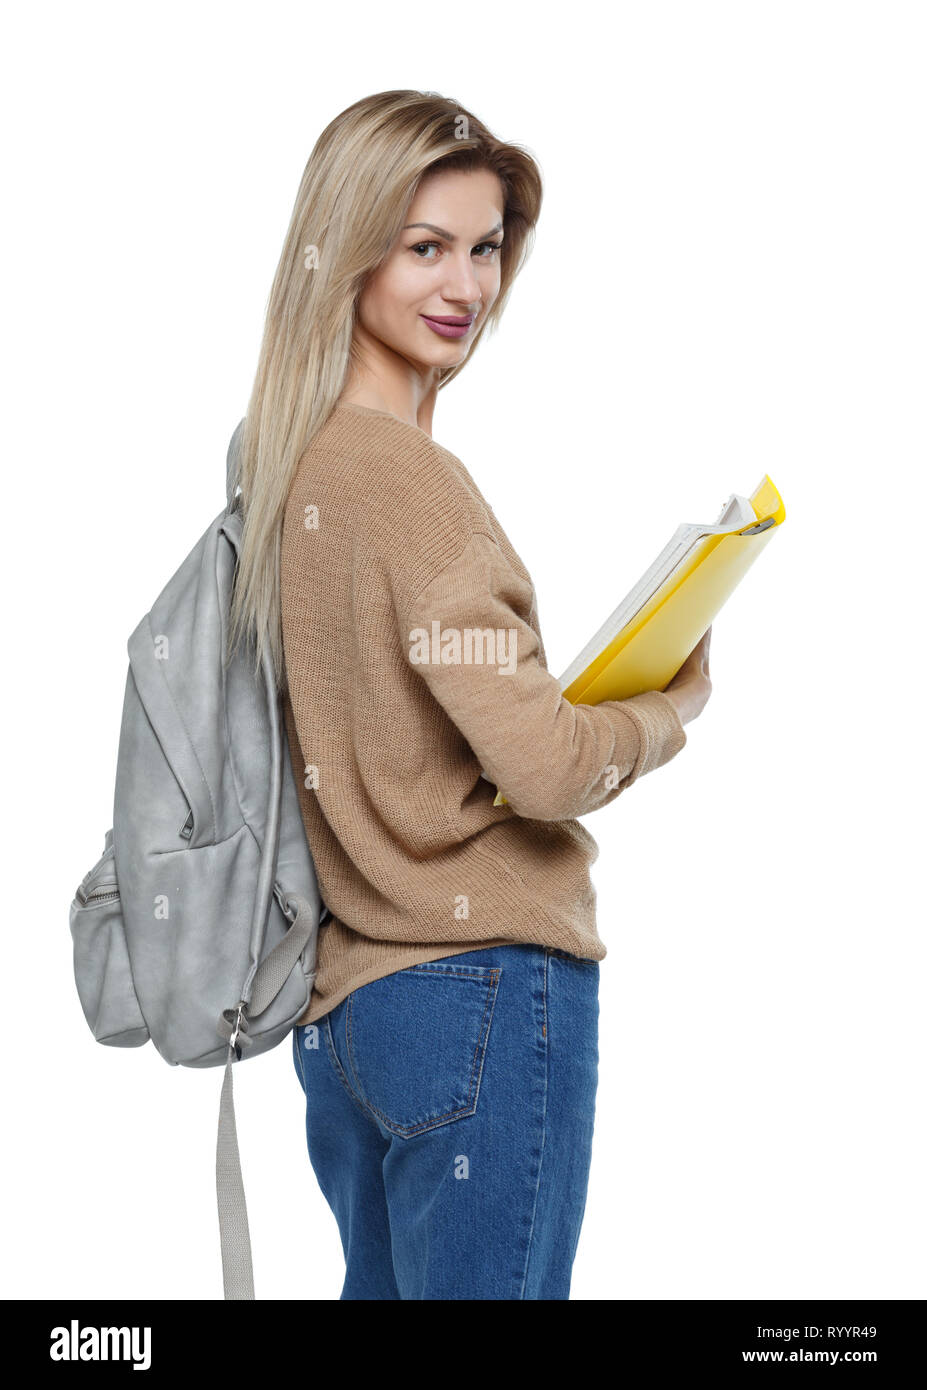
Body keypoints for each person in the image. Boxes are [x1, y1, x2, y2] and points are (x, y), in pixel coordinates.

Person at [226, 90, 712, 1300]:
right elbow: (542, 763)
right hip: (478, 992)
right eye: (424, 244)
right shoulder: (408, 485)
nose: (467, 284)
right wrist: (667, 710)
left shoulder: (279, 466)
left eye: (485, 246)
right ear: (346, 248)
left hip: (347, 1023)